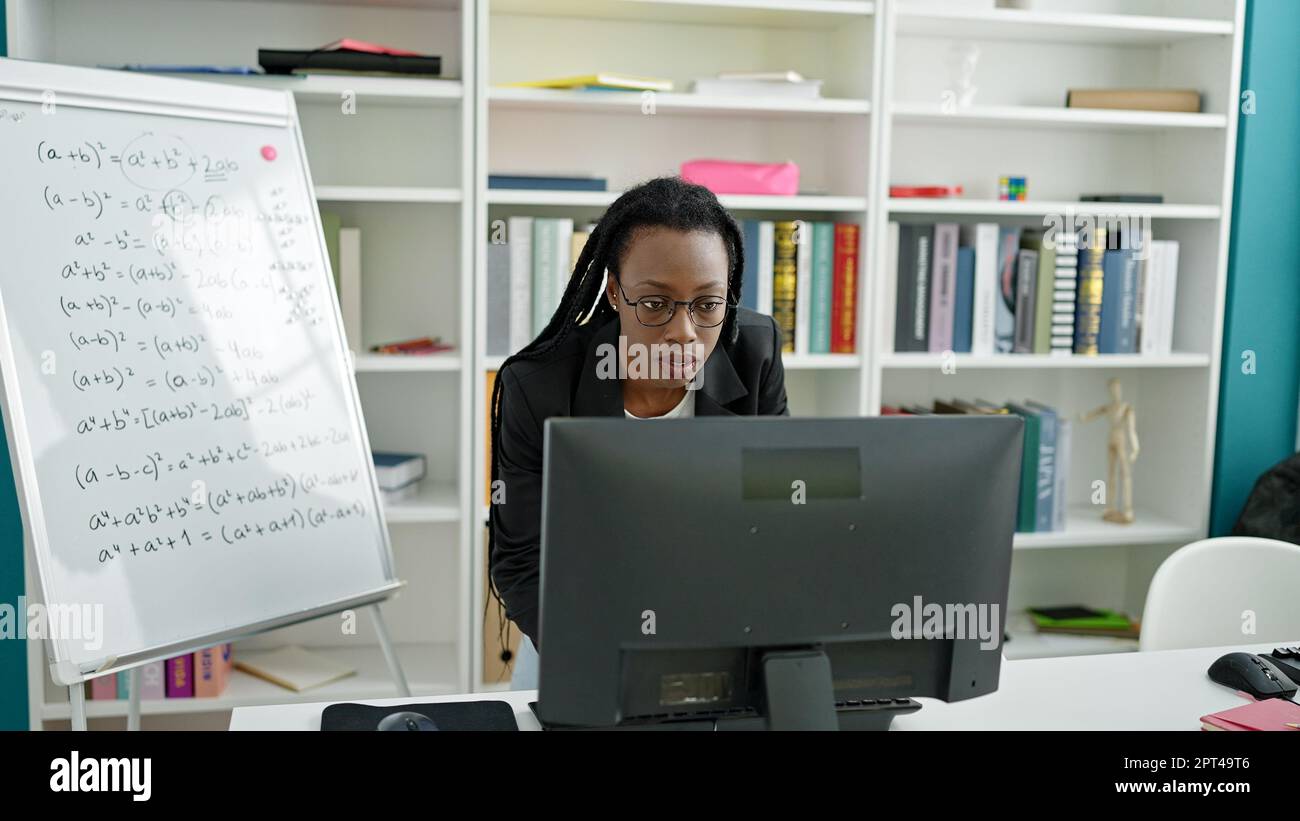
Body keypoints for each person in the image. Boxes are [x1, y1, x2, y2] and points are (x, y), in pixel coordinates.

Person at [488, 175, 791, 685]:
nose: (684, 331)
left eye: (708, 303)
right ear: (614, 292)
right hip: (580, 631)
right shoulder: (538, 387)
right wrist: (599, 657)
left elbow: (779, 521)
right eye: (654, 304)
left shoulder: (754, 350)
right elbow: (520, 560)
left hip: (719, 630)